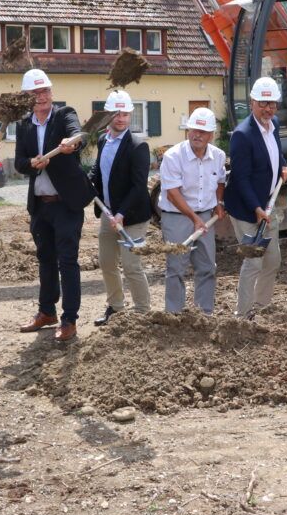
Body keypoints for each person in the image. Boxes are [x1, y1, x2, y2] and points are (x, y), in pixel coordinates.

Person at [14, 69, 95, 342]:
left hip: (66, 204)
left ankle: (69, 318)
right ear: (27, 98)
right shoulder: (24, 124)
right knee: (45, 260)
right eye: (36, 93)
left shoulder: (63, 115)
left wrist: (71, 143)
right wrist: (32, 164)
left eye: (45, 91)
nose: (42, 97)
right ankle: (46, 311)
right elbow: (19, 163)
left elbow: (78, 134)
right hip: (40, 204)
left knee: (68, 261)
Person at [225, 76, 287, 319]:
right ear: (252, 102)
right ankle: (242, 315)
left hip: (266, 204)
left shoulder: (273, 124)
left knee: (272, 259)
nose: (268, 108)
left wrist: (283, 166)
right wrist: (255, 208)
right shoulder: (242, 135)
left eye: (272, 103)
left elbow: (275, 153)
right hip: (245, 209)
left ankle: (261, 306)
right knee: (253, 261)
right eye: (263, 103)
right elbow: (241, 178)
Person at [90, 90, 152, 327]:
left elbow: (138, 187)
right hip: (108, 213)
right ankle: (116, 307)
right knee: (106, 262)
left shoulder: (138, 146)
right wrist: (87, 181)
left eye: (125, 113)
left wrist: (122, 214)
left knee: (131, 265)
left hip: (132, 216)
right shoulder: (103, 140)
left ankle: (143, 314)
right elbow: (98, 170)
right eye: (116, 113)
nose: (121, 118)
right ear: (108, 115)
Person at [159, 107, 227, 316]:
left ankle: (204, 313)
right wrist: (194, 218)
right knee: (176, 268)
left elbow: (220, 181)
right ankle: (174, 314)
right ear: (188, 131)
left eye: (203, 131)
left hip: (206, 215)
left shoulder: (218, 156)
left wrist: (219, 202)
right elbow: (172, 194)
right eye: (194, 130)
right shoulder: (173, 156)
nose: (197, 135)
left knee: (207, 266)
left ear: (211, 135)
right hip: (176, 217)